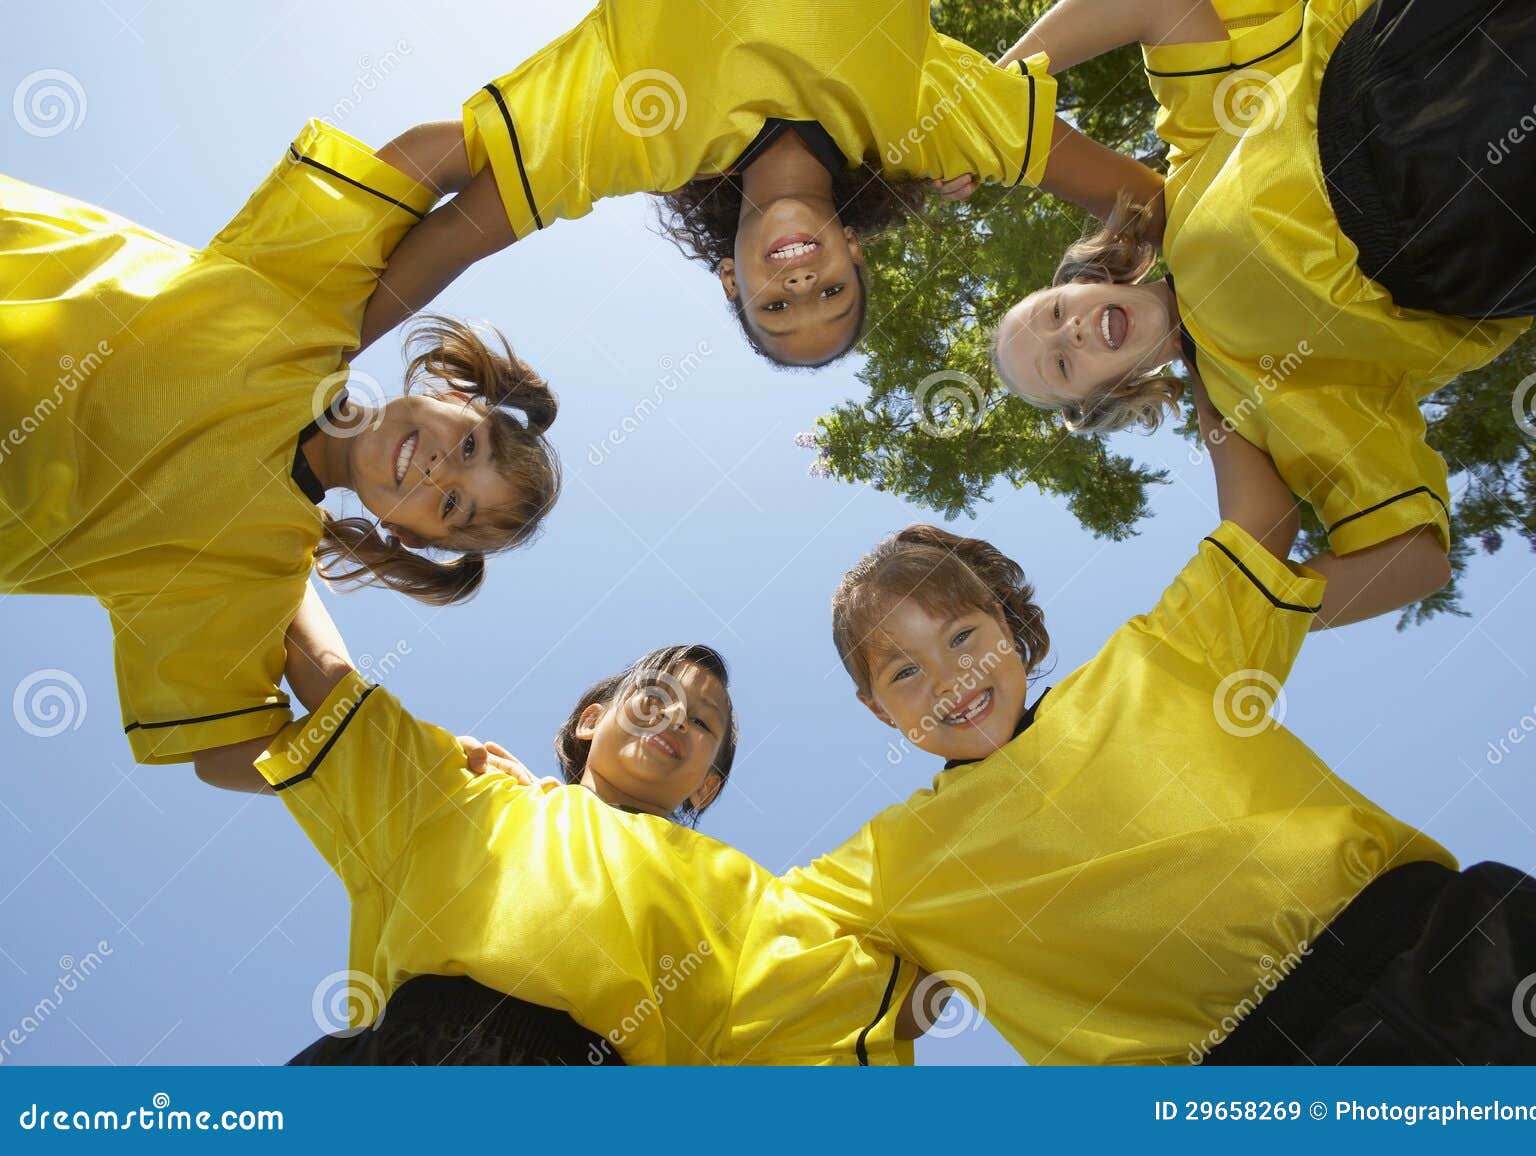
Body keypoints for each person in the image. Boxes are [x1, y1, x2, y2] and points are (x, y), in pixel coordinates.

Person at [781, 379, 1536, 1063]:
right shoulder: (894, 862)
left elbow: (1260, 526)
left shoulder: (1155, 655)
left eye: (962, 635)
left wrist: (1204, 350)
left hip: (1445, 940)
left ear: (1006, 625)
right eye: (903, 671)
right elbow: (741, 934)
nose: (950, 677)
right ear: (878, 711)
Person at [988, 0, 1536, 627]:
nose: (1073, 330)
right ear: (1103, 394)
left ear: (1087, 282)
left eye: (1057, 310)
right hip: (1489, 233)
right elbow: (1413, 560)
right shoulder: (1251, 404)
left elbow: (1161, 6)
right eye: (1062, 362)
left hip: (1414, 67)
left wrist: (989, 88)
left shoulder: (1190, 176)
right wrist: (1252, 626)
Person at [1, 120, 559, 767]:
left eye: (452, 507)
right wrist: (565, 137)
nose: (437, 473)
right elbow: (429, 161)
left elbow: (229, 752)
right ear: (455, 400)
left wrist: (411, 773)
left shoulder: (259, 567)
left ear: (408, 536)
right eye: (467, 448)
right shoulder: (309, 309)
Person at [199, 589, 936, 1065]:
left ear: (706, 784)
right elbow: (328, 684)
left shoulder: (743, 893)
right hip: (391, 1050)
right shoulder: (472, 798)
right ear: (592, 721)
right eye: (653, 695)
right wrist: (274, 508)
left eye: (703, 722)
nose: (674, 716)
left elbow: (881, 1004)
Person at [355, 0, 1164, 368]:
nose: (801, 282)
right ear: (851, 249)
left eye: (776, 304)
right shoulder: (927, 124)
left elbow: (454, 205)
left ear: (731, 278)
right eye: (831, 293)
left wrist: (319, 353)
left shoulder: (642, 133)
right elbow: (1148, 203)